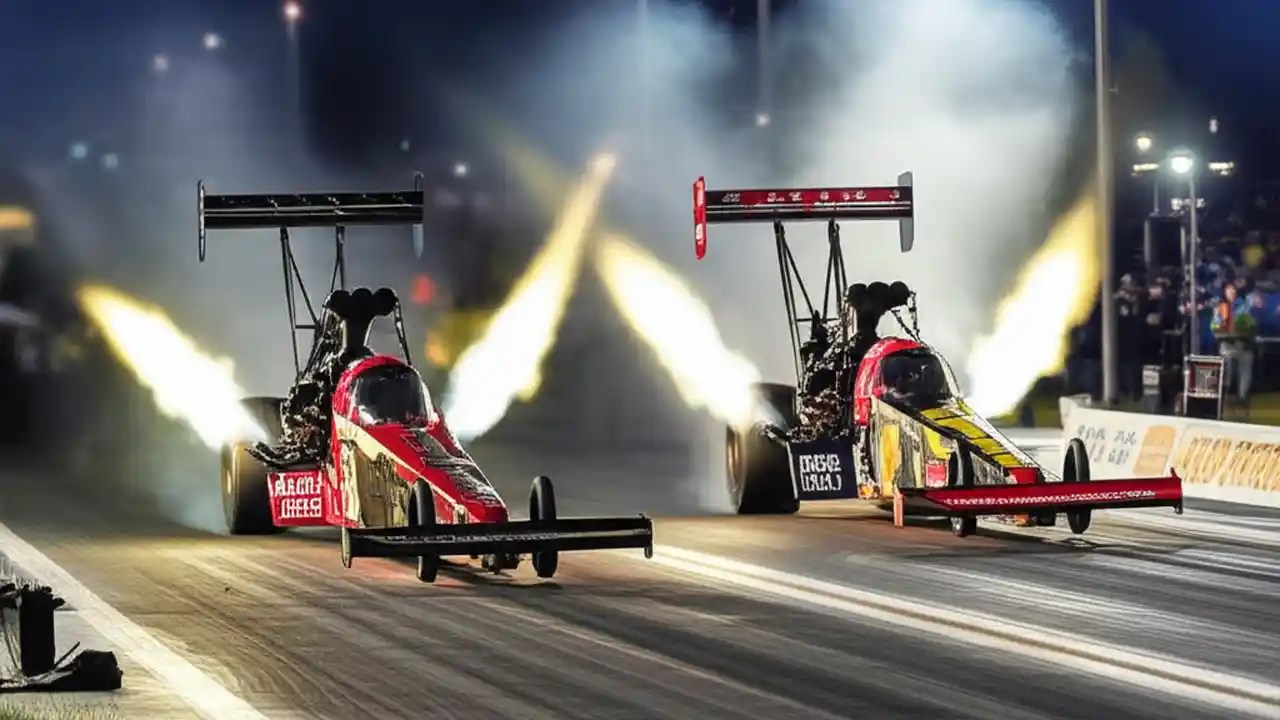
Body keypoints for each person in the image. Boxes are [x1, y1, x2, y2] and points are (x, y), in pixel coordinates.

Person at [1211, 284, 1256, 406]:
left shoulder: (1246, 305)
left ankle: (1242, 397)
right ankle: (1227, 395)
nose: (1231, 292)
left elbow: (1251, 324)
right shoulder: (1220, 308)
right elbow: (1215, 327)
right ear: (1224, 292)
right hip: (1227, 345)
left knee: (1246, 365)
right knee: (1229, 368)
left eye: (1233, 289)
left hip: (1244, 343)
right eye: (1228, 290)